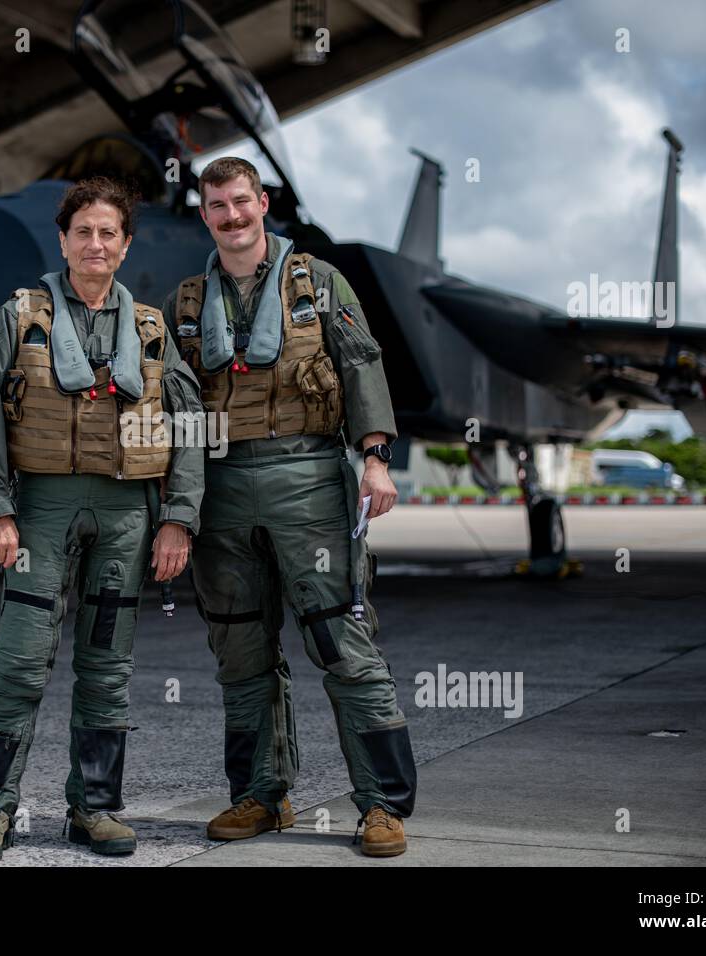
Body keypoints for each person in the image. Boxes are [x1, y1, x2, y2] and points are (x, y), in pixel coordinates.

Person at [162, 157, 416, 857]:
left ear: (261, 202)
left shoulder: (319, 282)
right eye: (218, 206)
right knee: (239, 650)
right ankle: (261, 797)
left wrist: (374, 458)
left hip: (306, 477)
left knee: (342, 643)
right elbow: (173, 405)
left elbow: (361, 362)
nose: (232, 216)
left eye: (241, 202)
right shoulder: (187, 302)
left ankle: (383, 808)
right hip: (219, 489)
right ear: (206, 214)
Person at [0, 176, 203, 862]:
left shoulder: (153, 331)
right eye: (83, 232)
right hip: (42, 510)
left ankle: (93, 809)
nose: (95, 244)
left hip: (128, 515)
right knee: (20, 663)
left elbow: (189, 428)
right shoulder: (22, 315)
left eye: (109, 233)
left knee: (108, 668)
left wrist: (178, 519)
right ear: (63, 240)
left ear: (125, 246)